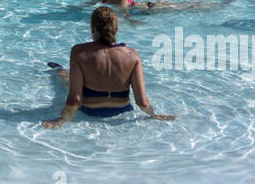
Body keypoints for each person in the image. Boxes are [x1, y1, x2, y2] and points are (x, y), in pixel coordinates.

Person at [42, 7, 173, 127]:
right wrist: (154, 115)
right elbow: (142, 102)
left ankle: (58, 70)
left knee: (67, 81)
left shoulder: (79, 52)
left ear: (92, 29)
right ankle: (59, 70)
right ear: (116, 29)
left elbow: (75, 99)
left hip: (89, 111)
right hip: (122, 111)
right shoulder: (133, 55)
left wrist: (61, 120)